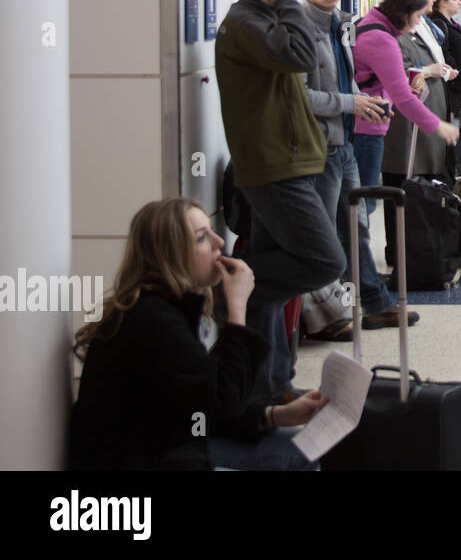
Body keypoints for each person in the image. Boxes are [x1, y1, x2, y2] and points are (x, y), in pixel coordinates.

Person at [70, 199, 326, 470]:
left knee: (303, 447)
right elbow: (222, 401)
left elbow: (201, 406)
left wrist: (275, 415)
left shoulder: (164, 307)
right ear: (171, 255)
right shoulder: (152, 320)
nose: (219, 242)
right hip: (141, 468)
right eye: (202, 237)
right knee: (298, 455)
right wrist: (237, 308)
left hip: (169, 447)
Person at [215, 0, 346, 399]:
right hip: (273, 165)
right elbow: (301, 57)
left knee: (271, 289)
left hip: (295, 159)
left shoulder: (268, 17)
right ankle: (230, 283)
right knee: (325, 260)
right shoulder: (246, 22)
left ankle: (268, 383)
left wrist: (284, 6)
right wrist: (288, 3)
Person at [298, 0, 408, 335]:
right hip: (319, 146)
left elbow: (346, 81)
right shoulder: (297, 30)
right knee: (326, 232)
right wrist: (351, 102)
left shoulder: (342, 26)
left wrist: (368, 101)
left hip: (344, 141)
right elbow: (300, 96)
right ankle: (324, 315)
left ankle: (370, 303)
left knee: (355, 225)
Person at [352, 0, 459, 237]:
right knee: (363, 206)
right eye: (418, 15)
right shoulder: (383, 40)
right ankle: (359, 270)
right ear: (404, 11)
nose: (418, 22)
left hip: (368, 121)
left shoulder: (368, 24)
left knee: (360, 203)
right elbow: (403, 95)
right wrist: (438, 126)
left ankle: (358, 267)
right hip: (370, 127)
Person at [429, 0, 461, 115]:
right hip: (453, 84)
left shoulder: (450, 22)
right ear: (443, 2)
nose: (459, 3)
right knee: (453, 124)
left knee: (457, 122)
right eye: (455, 0)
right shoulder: (439, 23)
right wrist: (457, 75)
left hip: (459, 86)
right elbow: (443, 53)